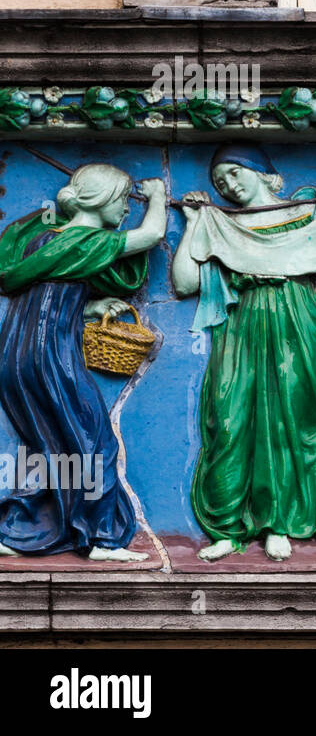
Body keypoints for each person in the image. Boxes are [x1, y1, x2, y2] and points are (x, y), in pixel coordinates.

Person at [173, 145, 316, 562]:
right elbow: (184, 283)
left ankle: (278, 522)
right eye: (219, 182)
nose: (228, 186)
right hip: (243, 327)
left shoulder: (307, 212)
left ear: (265, 174)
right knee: (229, 419)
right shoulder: (223, 224)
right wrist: (195, 222)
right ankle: (229, 527)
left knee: (291, 416)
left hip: (296, 321)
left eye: (234, 173)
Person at [0, 163, 166, 561]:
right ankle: (101, 537)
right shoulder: (86, 240)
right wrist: (158, 194)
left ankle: (17, 532)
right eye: (124, 200)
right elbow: (152, 235)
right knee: (95, 441)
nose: (127, 209)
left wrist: (90, 306)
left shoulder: (43, 241)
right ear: (102, 199)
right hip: (52, 355)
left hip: (18, 354)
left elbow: (48, 297)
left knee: (50, 445)